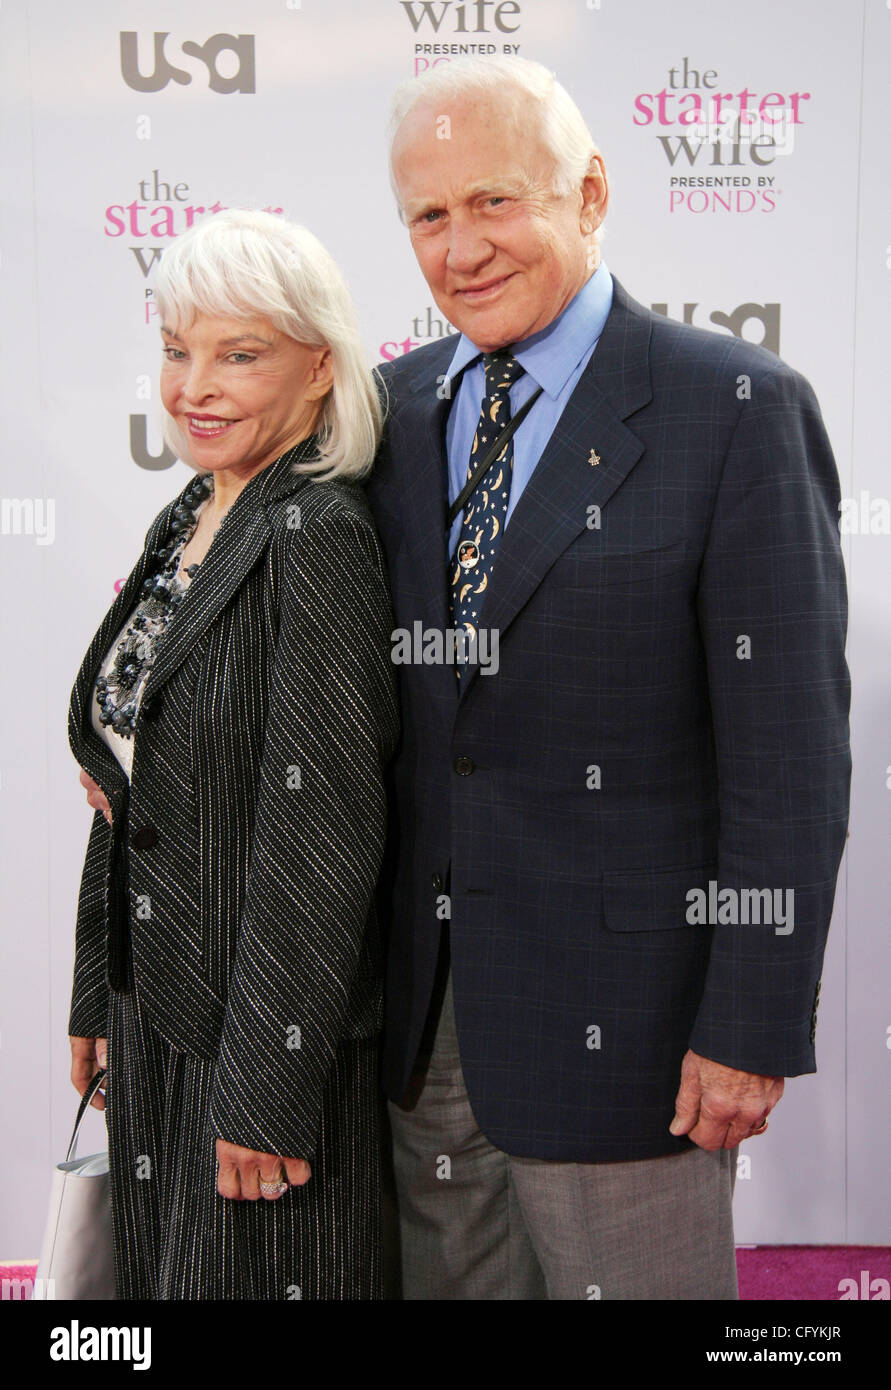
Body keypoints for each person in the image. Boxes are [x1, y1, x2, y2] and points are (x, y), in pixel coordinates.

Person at [365, 56, 851, 1300]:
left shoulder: (733, 407)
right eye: (429, 214)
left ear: (589, 193)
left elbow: (787, 752)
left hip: (633, 1029)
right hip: (420, 1027)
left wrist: (749, 1025)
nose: (461, 247)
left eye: (495, 201)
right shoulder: (388, 411)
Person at [67, 209, 399, 1300]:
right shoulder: (189, 515)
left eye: (238, 353)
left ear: (318, 367)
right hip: (159, 1017)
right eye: (177, 349)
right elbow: (132, 781)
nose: (192, 385)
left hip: (260, 1040)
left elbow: (326, 830)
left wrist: (267, 1084)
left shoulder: (316, 531)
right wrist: (97, 993)